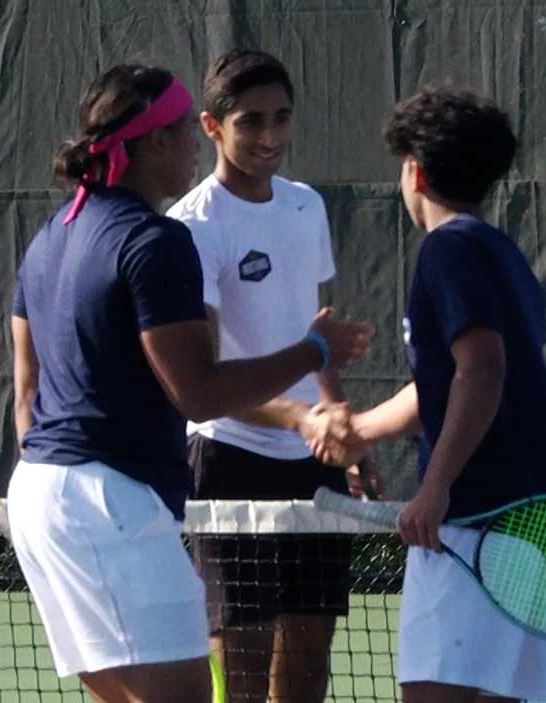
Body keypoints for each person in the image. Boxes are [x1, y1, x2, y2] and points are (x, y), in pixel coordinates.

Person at [7, 64, 372, 703]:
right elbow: (197, 394)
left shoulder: (49, 236)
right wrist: (312, 350)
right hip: (110, 504)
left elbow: (26, 393)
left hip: (37, 496)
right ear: (155, 143)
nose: (194, 148)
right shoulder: (159, 240)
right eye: (183, 133)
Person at [316, 87, 546, 703]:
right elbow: (449, 384)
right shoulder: (503, 255)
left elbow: (481, 371)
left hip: (472, 527)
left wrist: (435, 487)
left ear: (415, 172)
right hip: (530, 526)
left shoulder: (446, 249)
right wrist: (359, 432)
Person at [166, 50, 377, 703]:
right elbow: (204, 375)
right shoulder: (191, 227)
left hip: (310, 459)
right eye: (250, 122)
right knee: (246, 662)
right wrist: (296, 415)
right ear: (211, 126)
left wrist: (341, 428)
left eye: (281, 119)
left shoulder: (305, 207)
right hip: (228, 458)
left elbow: (313, 330)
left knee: (310, 656)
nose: (270, 138)